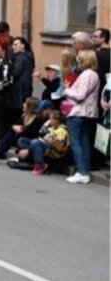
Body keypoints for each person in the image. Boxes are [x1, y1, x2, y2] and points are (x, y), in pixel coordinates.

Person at [63, 49, 100, 184]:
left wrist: (67, 89)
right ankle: (85, 170)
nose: (77, 60)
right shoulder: (94, 75)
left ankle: (81, 171)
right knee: (85, 142)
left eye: (79, 58)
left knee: (76, 143)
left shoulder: (85, 75)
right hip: (89, 113)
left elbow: (80, 95)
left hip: (78, 111)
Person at [9, 110, 70, 176]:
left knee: (35, 142)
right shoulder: (53, 128)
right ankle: (29, 154)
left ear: (56, 120)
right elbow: (41, 131)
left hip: (54, 150)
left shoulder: (62, 130)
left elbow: (60, 146)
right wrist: (46, 124)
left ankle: (39, 164)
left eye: (50, 119)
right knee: (22, 140)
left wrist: (52, 141)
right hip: (46, 144)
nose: (49, 120)